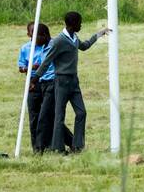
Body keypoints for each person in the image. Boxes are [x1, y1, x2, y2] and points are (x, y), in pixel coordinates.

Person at [38, 10, 109, 153]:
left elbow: (84, 46)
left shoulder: (74, 38)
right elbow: (47, 61)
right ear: (72, 24)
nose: (81, 25)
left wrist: (99, 34)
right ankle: (57, 148)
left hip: (74, 82)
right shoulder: (59, 40)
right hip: (61, 81)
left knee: (81, 112)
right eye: (80, 23)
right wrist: (35, 78)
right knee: (59, 116)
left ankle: (77, 145)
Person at [30, 23, 72, 153]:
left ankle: (40, 148)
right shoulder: (40, 47)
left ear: (44, 35)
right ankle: (73, 142)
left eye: (34, 36)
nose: (31, 39)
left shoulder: (55, 44)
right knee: (50, 117)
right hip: (42, 84)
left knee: (44, 116)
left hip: (55, 83)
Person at [18, 23, 45, 153]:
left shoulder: (47, 45)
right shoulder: (25, 48)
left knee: (48, 115)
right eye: (32, 32)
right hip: (32, 84)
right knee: (34, 116)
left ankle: (50, 144)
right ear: (28, 34)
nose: (36, 35)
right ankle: (37, 148)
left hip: (47, 82)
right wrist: (30, 68)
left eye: (38, 32)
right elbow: (21, 68)